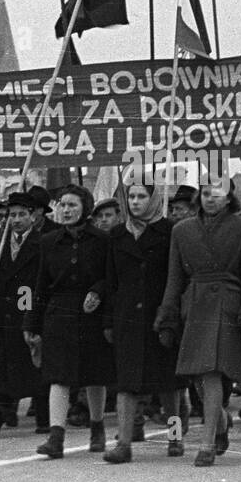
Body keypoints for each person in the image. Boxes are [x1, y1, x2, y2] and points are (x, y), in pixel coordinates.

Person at [156, 180, 241, 467]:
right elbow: (174, 278)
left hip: (227, 303)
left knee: (212, 372)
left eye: (218, 194)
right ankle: (222, 421)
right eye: (205, 194)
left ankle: (206, 443)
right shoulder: (182, 230)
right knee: (196, 376)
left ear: (229, 198)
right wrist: (168, 315)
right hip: (195, 303)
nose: (211, 199)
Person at [24, 185, 114, 458]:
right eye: (62, 205)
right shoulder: (49, 242)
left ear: (85, 209)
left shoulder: (102, 240)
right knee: (58, 376)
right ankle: (56, 437)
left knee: (94, 375)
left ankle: (97, 427)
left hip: (91, 314)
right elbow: (39, 285)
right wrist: (32, 323)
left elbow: (111, 276)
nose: (66, 210)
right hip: (58, 313)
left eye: (72, 205)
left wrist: (98, 291)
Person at [101, 183, 182, 463]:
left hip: (157, 316)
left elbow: (175, 277)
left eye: (141, 197)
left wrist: (170, 316)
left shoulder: (168, 231)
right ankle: (124, 443)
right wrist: (109, 320)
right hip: (127, 318)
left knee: (168, 384)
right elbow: (111, 280)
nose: (135, 202)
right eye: (131, 197)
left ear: (153, 199)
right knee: (126, 383)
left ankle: (175, 437)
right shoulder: (117, 234)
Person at [0, 192, 47, 437]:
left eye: (20, 215)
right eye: (10, 215)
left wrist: (31, 312)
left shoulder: (42, 243)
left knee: (31, 367)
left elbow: (40, 282)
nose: (15, 220)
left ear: (33, 217)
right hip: (2, 313)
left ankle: (44, 416)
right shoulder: (0, 244)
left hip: (26, 310)